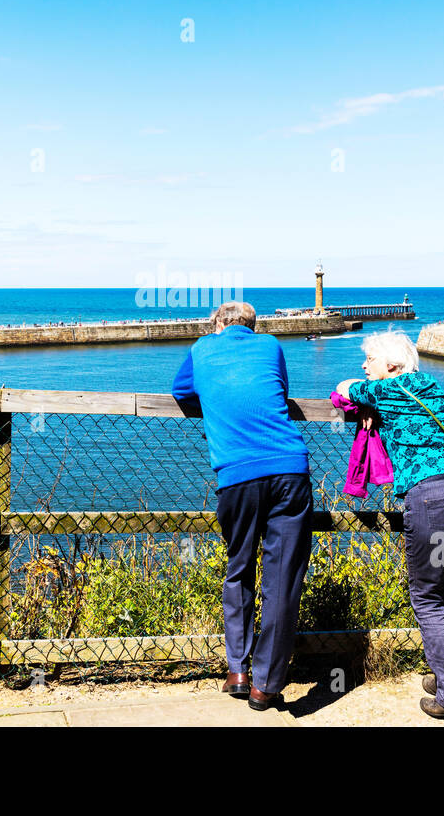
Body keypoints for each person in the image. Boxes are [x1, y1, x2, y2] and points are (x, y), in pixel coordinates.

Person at [336, 329, 444, 723]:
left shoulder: (386, 390)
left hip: (434, 501)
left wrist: (365, 390)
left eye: (369, 360)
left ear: (390, 366)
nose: (363, 366)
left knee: (429, 599)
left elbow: (342, 390)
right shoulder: (430, 385)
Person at [172, 301, 313, 711]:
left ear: (217, 325)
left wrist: (216, 405)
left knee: (239, 567)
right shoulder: (270, 345)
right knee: (282, 579)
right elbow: (280, 391)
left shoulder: (202, 348)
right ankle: (265, 686)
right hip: (289, 468)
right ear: (254, 325)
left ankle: (237, 669)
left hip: (237, 475)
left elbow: (181, 391)